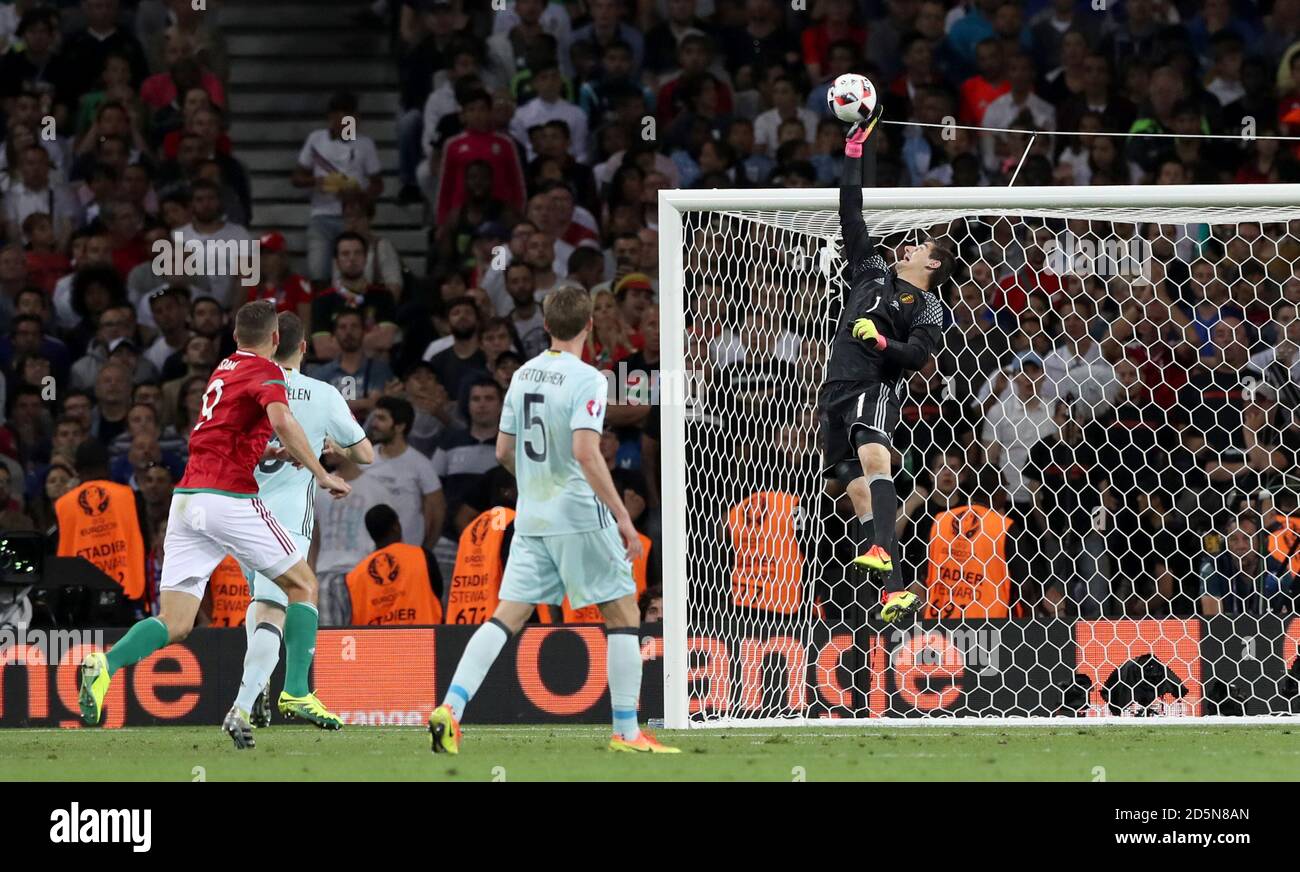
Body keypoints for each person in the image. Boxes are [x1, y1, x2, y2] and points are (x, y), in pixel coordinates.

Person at [77, 301, 352, 751]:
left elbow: (226, 435)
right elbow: (282, 419)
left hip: (186, 502)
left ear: (235, 336)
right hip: (229, 498)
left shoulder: (223, 370)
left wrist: (271, 453)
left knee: (176, 621)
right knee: (302, 584)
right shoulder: (269, 372)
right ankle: (298, 690)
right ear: (277, 340)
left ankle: (104, 665)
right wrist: (320, 473)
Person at [427, 286, 677, 754]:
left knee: (506, 617)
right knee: (622, 614)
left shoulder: (522, 374)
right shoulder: (589, 379)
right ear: (589, 327)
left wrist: (537, 480)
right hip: (580, 514)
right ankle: (627, 731)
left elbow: (503, 450)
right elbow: (586, 451)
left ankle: (451, 709)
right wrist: (623, 517)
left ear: (545, 327)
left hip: (533, 514)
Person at [817, 107, 953, 624]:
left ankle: (881, 555)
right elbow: (851, 211)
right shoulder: (871, 271)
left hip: (873, 385)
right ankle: (895, 589)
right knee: (855, 492)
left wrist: (877, 341)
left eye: (920, 245)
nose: (910, 244)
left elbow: (918, 357)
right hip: (834, 389)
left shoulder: (929, 307)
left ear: (933, 264)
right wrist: (855, 147)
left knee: (877, 463)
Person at [232, 312, 374, 733]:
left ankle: (258, 691)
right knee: (279, 603)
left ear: (270, 343)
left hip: (240, 515)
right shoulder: (322, 394)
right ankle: (267, 692)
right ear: (303, 348)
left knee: (262, 603)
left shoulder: (245, 386)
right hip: (287, 523)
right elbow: (366, 454)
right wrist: (335, 449)